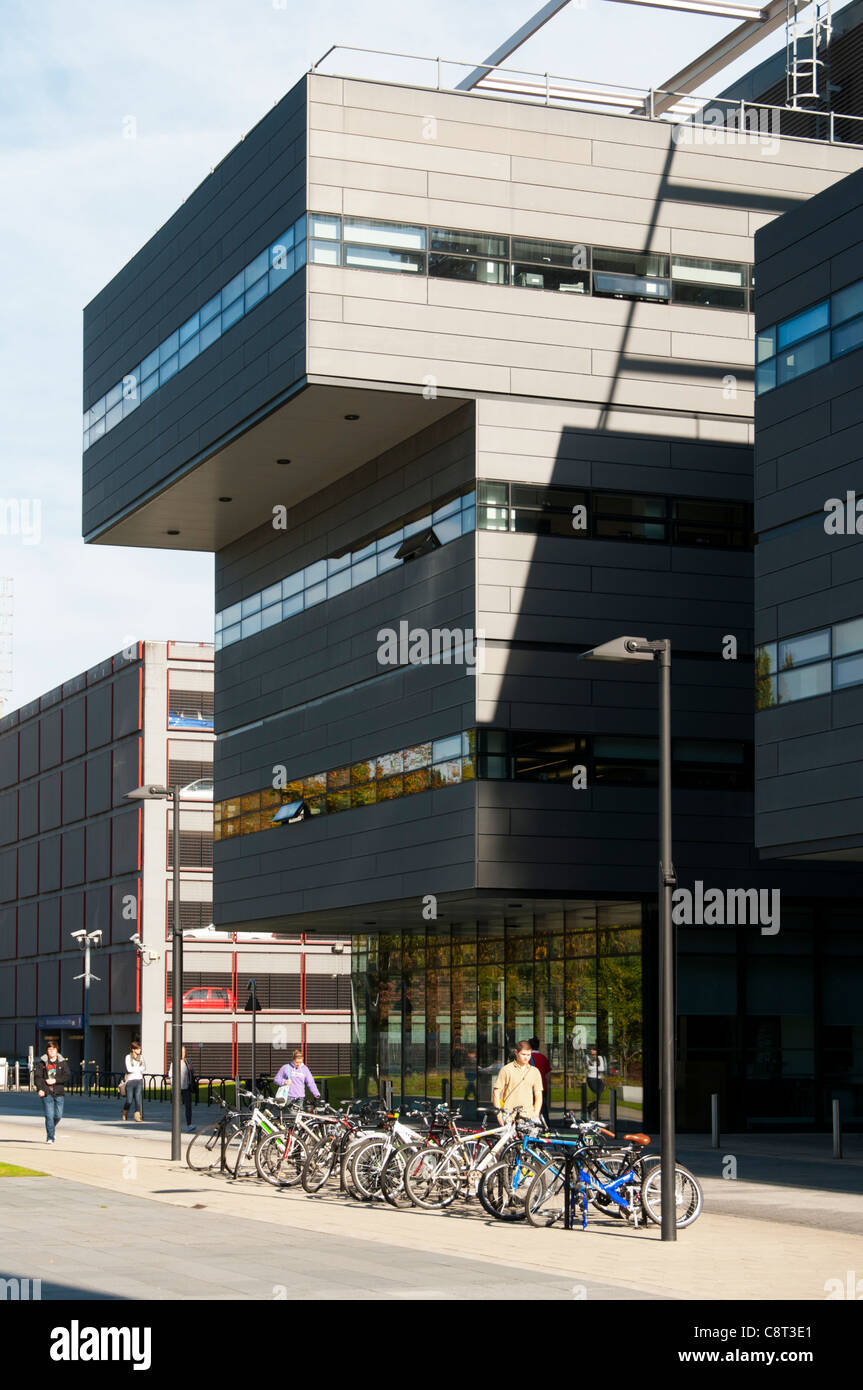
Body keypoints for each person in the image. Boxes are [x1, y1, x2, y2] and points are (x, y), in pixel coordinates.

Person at [492, 1040, 543, 1124]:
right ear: (516, 1052)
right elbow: (496, 1093)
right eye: (523, 1054)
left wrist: (535, 1114)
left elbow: (538, 1095)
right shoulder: (506, 1069)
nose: (526, 1057)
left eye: (529, 1055)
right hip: (509, 1117)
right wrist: (499, 1115)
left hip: (528, 1117)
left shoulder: (535, 1071)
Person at [34, 1042, 70, 1144]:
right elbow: (38, 1077)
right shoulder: (42, 1063)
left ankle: (51, 1128)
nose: (51, 1051)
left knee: (58, 1115)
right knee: (49, 1115)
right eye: (49, 1049)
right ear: (47, 1051)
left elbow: (67, 1075)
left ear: (57, 1050)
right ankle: (50, 1137)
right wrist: (40, 1089)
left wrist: (55, 1080)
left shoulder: (62, 1062)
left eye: (53, 1049)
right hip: (46, 1092)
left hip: (58, 1091)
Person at [168, 1045, 196, 1131]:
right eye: (181, 1052)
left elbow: (191, 1073)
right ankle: (176, 1125)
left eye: (184, 1052)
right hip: (177, 1088)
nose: (182, 1054)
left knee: (188, 1106)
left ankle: (189, 1124)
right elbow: (170, 1075)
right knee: (177, 1107)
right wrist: (173, 1086)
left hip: (186, 1087)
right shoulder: (174, 1062)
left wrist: (191, 1069)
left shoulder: (188, 1061)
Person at [528, 1035, 551, 1126]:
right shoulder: (543, 1057)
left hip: (530, 1087)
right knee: (542, 1106)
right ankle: (546, 1125)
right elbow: (548, 1073)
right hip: (542, 1086)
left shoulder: (527, 1058)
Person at [122, 1041, 146, 1123]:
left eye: (140, 1049)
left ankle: (137, 1116)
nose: (140, 1050)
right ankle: (125, 1111)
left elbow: (144, 1068)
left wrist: (136, 1068)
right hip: (130, 1081)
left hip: (139, 1080)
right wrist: (138, 1068)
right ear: (133, 1049)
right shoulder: (128, 1057)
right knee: (129, 1100)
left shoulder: (141, 1057)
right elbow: (129, 1069)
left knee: (138, 1099)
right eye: (138, 1049)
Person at [586, 1043, 606, 1118]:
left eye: (593, 1049)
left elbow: (602, 1069)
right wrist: (596, 1068)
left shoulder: (600, 1058)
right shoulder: (587, 1057)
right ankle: (593, 1110)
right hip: (591, 1079)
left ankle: (591, 1108)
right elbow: (589, 1068)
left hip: (599, 1079)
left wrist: (593, 1067)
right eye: (591, 1049)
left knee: (599, 1097)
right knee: (597, 1094)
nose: (592, 1050)